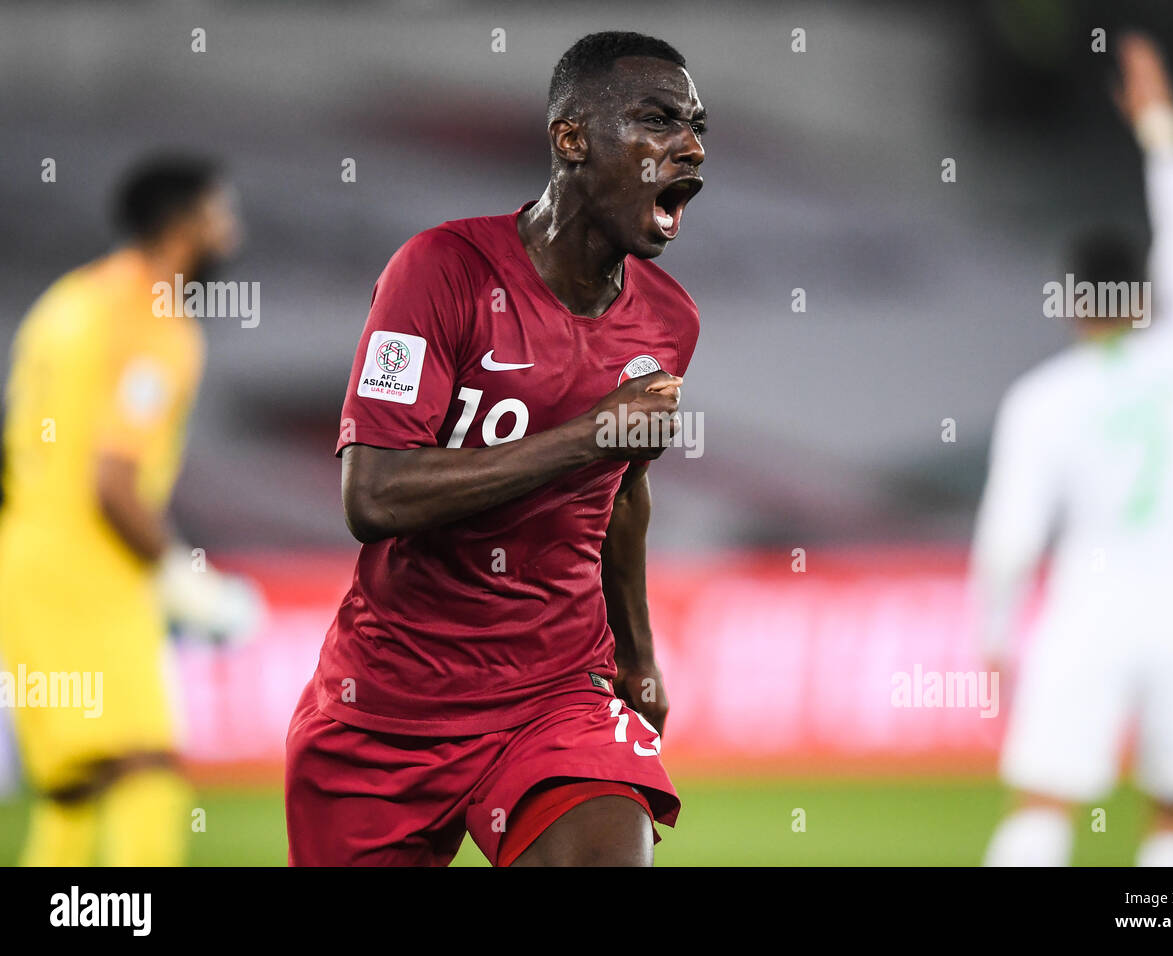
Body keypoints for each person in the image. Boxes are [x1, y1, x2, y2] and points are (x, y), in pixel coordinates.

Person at [285, 31, 706, 867]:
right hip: (388, 704)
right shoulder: (439, 271)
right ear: (571, 138)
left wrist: (639, 657)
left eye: (697, 126)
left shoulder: (670, 320)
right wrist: (586, 434)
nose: (690, 146)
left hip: (558, 695)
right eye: (659, 120)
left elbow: (623, 492)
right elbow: (374, 496)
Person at [973, 33, 1173, 867]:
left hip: (1091, 610)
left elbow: (1010, 540)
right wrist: (1162, 131)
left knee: (1044, 802)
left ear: (1072, 301)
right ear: (1146, 294)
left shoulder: (1043, 398)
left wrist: (996, 638)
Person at [0, 154, 251, 865]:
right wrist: (183, 577)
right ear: (181, 227)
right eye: (220, 216)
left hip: (25, 558)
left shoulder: (68, 301)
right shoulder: (155, 322)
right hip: (89, 571)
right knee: (147, 768)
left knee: (75, 787)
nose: (231, 234)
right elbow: (112, 482)